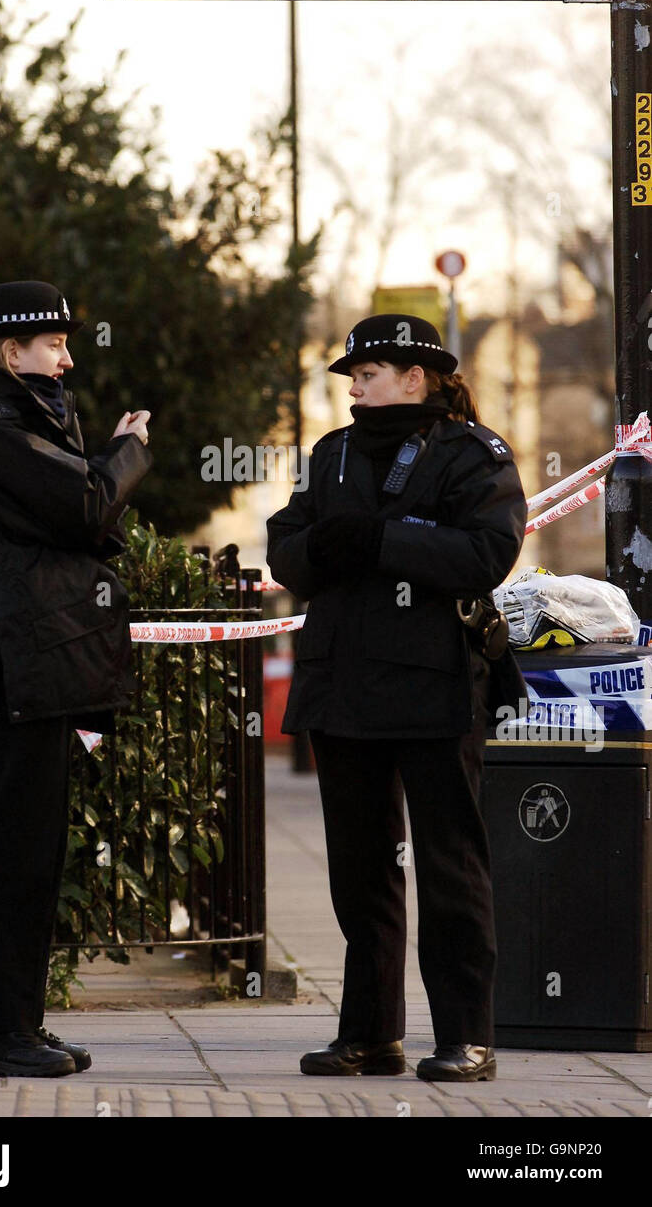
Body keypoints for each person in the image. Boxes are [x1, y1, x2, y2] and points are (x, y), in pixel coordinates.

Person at [266, 313, 527, 1083]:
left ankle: (465, 1037)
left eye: (368, 373)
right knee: (360, 872)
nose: (356, 386)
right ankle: (370, 1035)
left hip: (434, 685)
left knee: (451, 867)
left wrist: (378, 543)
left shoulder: (473, 454)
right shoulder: (333, 452)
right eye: (352, 375)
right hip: (342, 684)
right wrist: (322, 547)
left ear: (415, 377)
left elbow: (488, 551)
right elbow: (287, 545)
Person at [0, 280, 153, 1078]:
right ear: (10, 350)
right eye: (53, 344)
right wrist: (128, 450)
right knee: (10, 858)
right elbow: (88, 506)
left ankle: (19, 1023)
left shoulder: (19, 420)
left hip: (35, 666)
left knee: (33, 856)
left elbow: (68, 510)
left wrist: (94, 448)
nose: (68, 356)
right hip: (14, 668)